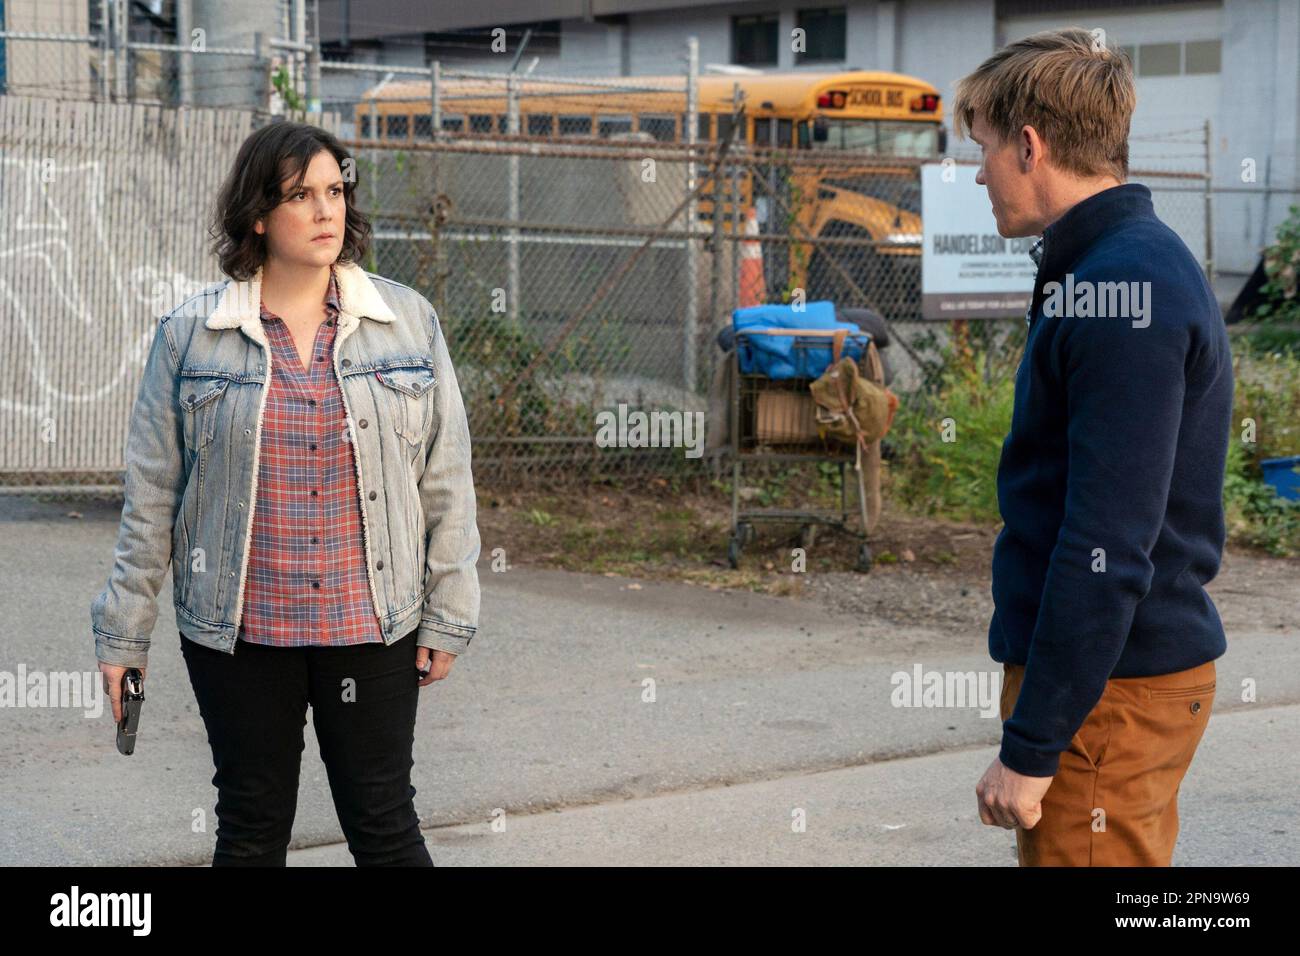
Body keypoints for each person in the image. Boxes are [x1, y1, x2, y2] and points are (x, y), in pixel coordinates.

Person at [91, 120, 481, 866]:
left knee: (385, 825)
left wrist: (451, 611)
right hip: (242, 634)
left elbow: (446, 480)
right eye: (302, 194)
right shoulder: (190, 337)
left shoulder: (406, 325)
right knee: (250, 828)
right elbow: (150, 502)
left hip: (372, 625)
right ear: (259, 215)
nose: (326, 210)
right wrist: (124, 635)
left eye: (335, 190)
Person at [954, 29, 1233, 865]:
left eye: (985, 149)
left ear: (1030, 146)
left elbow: (1109, 541)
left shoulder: (1125, 288)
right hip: (1109, 684)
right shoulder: (1111, 267)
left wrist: (1034, 746)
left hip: (1110, 695)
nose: (978, 174)